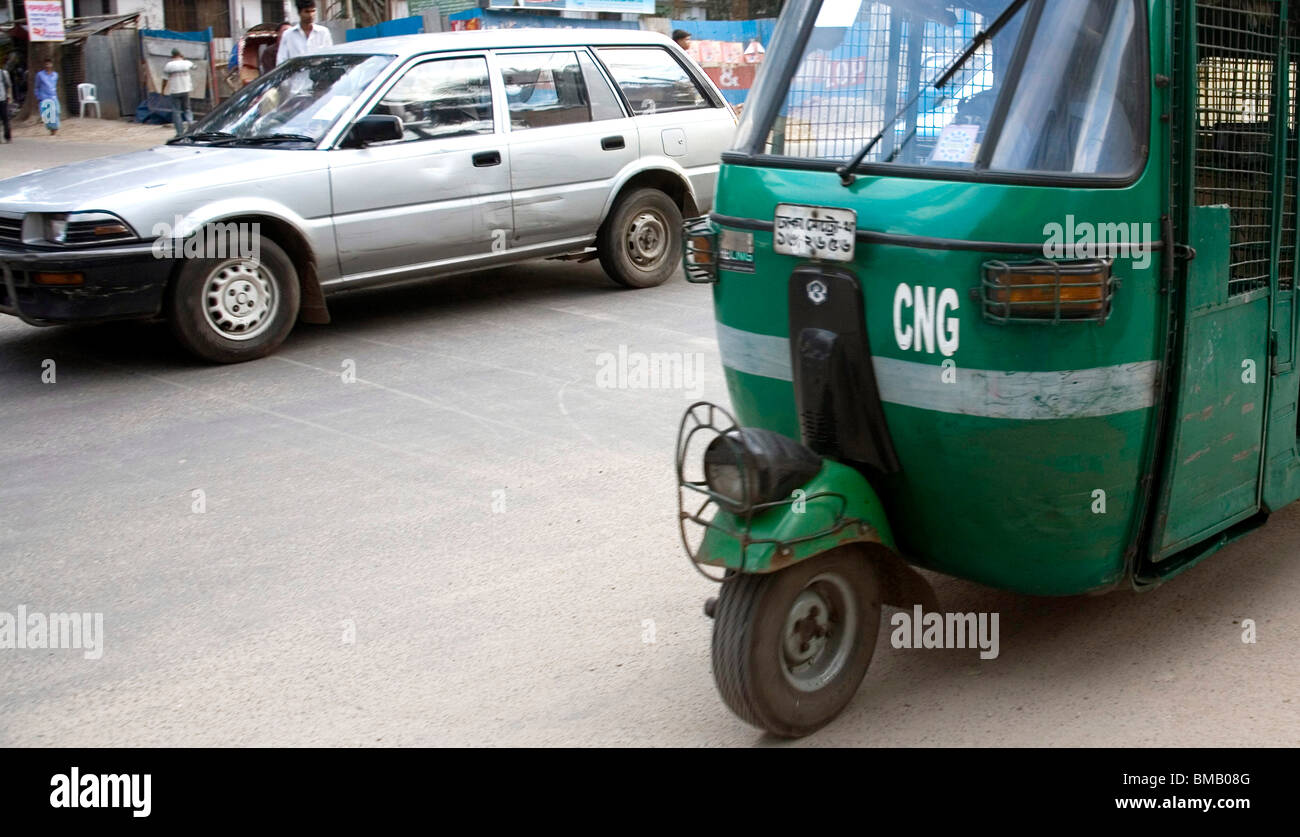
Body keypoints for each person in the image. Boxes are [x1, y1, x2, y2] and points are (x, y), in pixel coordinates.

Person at [277, 1, 333, 66]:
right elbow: (281, 60)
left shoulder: (323, 32)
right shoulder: (288, 35)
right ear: (299, 13)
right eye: (307, 11)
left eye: (313, 11)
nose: (311, 15)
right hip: (296, 74)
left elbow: (329, 56)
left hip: (318, 74)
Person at [161, 48, 195, 137]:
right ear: (180, 54)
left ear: (172, 55)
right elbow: (195, 67)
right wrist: (184, 59)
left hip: (175, 91)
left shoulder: (169, 65)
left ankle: (180, 133)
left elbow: (164, 79)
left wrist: (162, 90)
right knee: (187, 109)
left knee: (176, 112)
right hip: (186, 90)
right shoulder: (186, 63)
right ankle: (191, 126)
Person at [34, 58, 59, 135]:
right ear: (44, 65)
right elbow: (37, 87)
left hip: (53, 97)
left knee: (55, 112)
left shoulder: (55, 75)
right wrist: (38, 96)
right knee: (47, 115)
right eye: (46, 64)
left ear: (52, 65)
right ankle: (51, 129)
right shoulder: (40, 75)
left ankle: (55, 128)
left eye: (49, 64)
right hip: (44, 97)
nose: (48, 65)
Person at [0, 63, 12, 143]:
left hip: (3, 99)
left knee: (5, 119)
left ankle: (7, 137)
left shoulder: (3, 73)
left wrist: (10, 96)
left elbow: (9, 85)